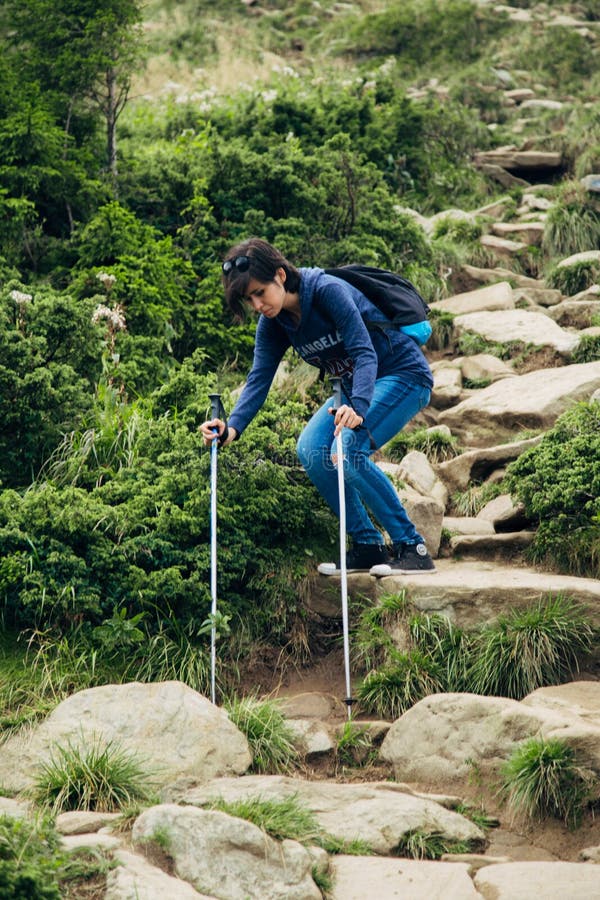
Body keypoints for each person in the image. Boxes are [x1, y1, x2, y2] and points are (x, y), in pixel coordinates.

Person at [199, 237, 436, 576]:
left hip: (402, 375)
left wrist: (360, 409)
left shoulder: (326, 291)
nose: (256, 305)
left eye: (259, 293)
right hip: (356, 391)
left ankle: (412, 547)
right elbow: (259, 378)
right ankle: (368, 545)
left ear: (280, 276)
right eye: (248, 299)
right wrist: (231, 428)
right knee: (310, 448)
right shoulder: (274, 322)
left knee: (349, 449)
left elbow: (364, 352)